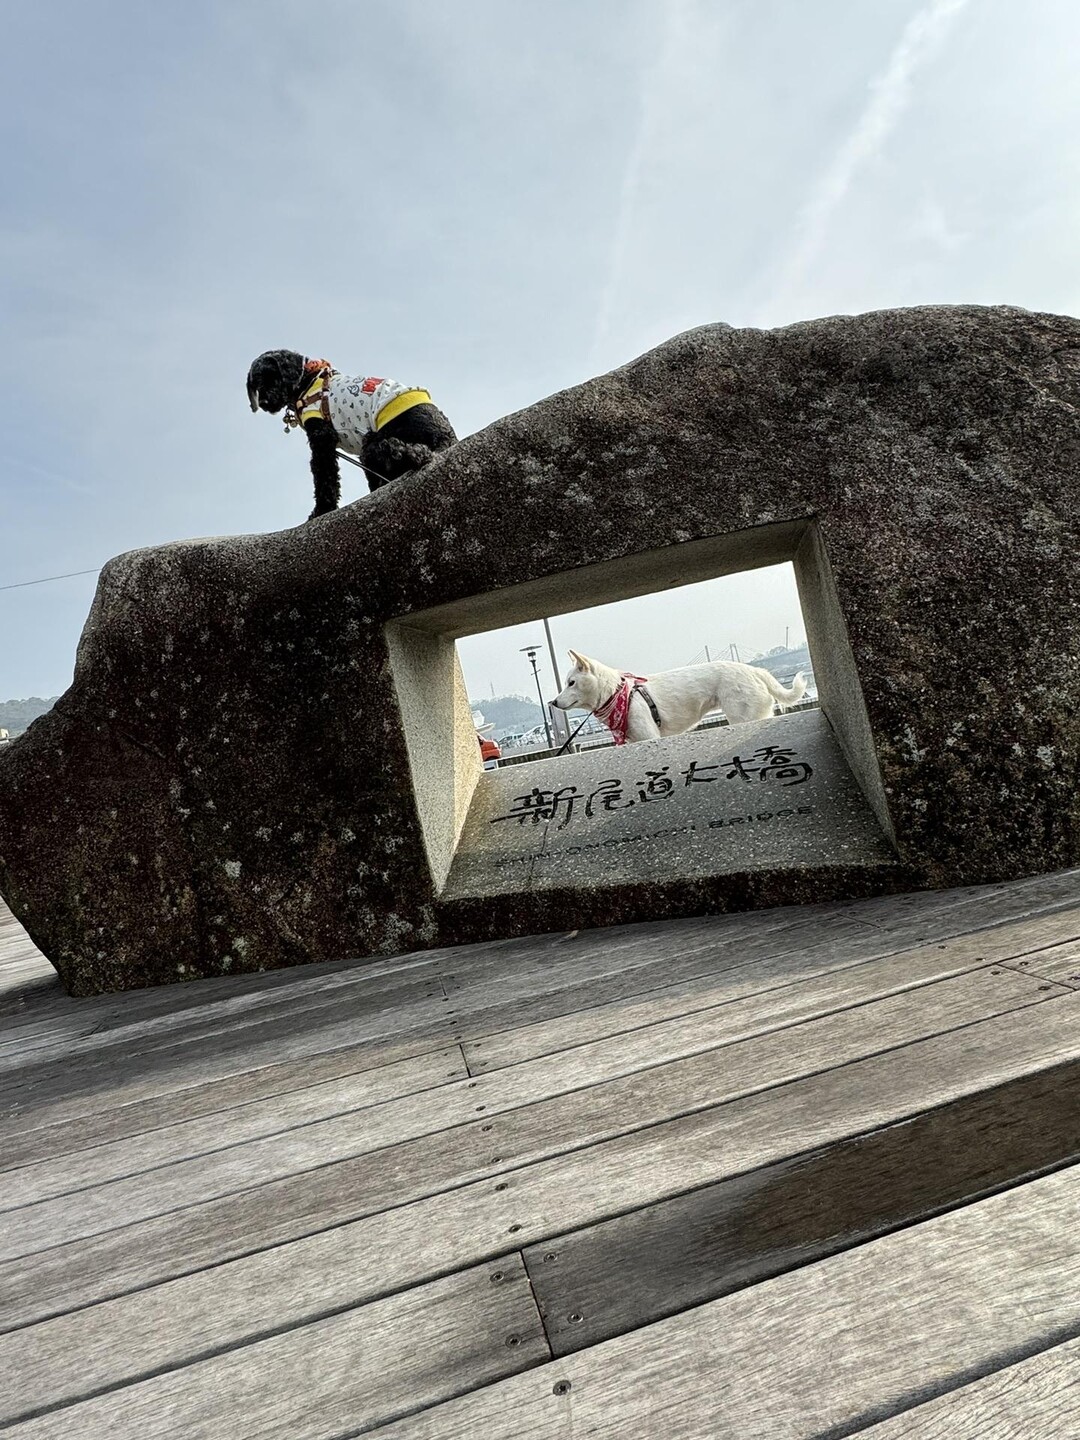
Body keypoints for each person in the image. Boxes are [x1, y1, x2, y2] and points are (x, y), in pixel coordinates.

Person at [246, 349, 457, 518]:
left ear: (287, 374)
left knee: (373, 453)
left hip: (404, 417)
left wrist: (324, 509)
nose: (263, 398)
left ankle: (411, 456)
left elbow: (323, 460)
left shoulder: (313, 403)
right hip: (419, 411)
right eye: (258, 391)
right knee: (372, 451)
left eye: (268, 385)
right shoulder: (323, 384)